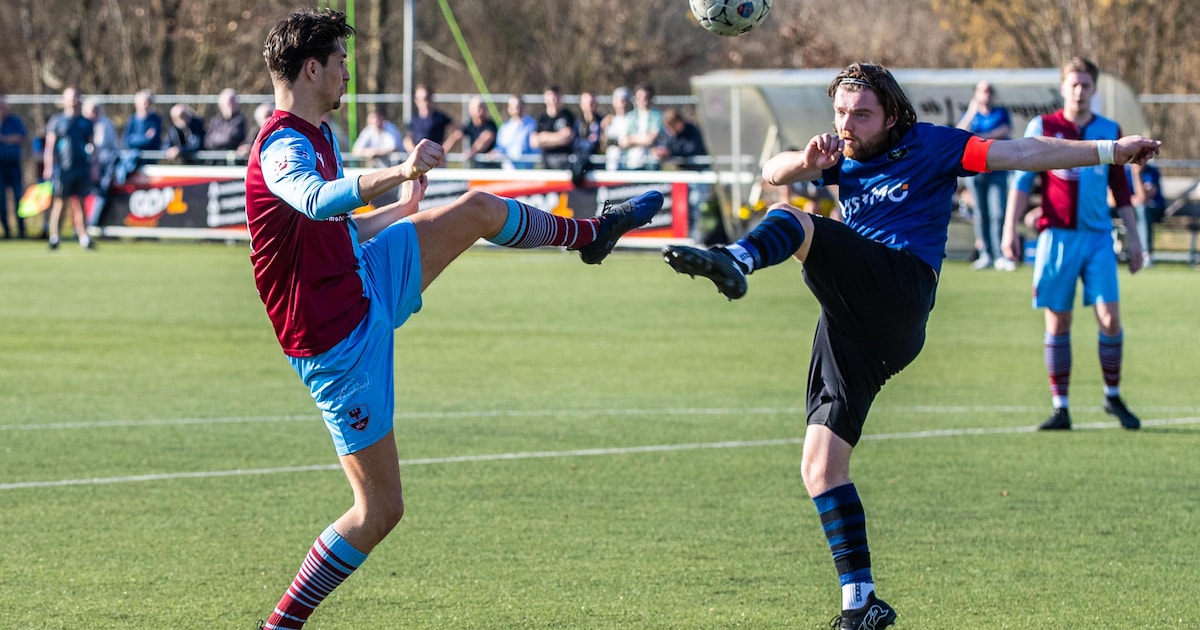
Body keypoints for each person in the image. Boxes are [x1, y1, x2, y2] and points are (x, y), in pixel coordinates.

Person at [660, 62, 1160, 629]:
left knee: (793, 222)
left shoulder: (934, 145)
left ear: (892, 114)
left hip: (902, 289)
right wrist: (806, 162)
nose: (847, 125)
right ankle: (861, 603)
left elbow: (1023, 152)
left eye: (861, 114)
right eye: (841, 113)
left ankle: (734, 259)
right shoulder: (841, 154)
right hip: (856, 324)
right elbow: (773, 171)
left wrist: (1111, 151)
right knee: (820, 468)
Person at [246, 9, 663, 629]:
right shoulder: (282, 145)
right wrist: (400, 171)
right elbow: (313, 199)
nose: (347, 74)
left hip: (365, 278)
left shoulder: (320, 135)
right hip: (336, 343)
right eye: (340, 63)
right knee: (379, 510)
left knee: (476, 210)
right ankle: (279, 626)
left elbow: (338, 230)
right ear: (312, 69)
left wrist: (402, 207)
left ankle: (592, 234)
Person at [1001, 57, 1146, 432]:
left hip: (1097, 237)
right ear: (1063, 88)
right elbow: (1021, 183)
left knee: (1110, 319)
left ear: (1094, 89)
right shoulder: (1043, 127)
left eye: (1086, 85)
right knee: (1058, 320)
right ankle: (1060, 407)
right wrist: (1009, 228)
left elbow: (1121, 190)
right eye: (1074, 84)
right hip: (1057, 238)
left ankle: (1112, 395)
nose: (1080, 91)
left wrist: (1136, 240)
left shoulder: (1109, 130)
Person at [956, 81, 1014, 271]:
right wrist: (971, 112)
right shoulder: (971, 115)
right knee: (980, 214)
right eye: (983, 91)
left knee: (998, 213)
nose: (986, 94)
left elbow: (1004, 131)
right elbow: (959, 133)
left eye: (989, 91)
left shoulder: (1000, 113)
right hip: (974, 171)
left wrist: (979, 138)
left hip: (998, 170)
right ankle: (986, 254)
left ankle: (1000, 255)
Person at [43, 86, 97, 250]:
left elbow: (93, 146)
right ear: (64, 100)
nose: (74, 100)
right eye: (71, 97)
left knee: (80, 203)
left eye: (76, 97)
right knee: (60, 204)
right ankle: (55, 237)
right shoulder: (57, 121)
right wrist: (48, 166)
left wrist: (95, 166)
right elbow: (50, 146)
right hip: (63, 169)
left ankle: (84, 237)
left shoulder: (86, 122)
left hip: (81, 168)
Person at [81, 98, 119, 226]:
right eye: (91, 110)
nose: (93, 113)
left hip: (104, 165)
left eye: (95, 110)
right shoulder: (82, 125)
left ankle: (92, 223)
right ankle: (81, 224)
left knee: (101, 193)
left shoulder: (106, 124)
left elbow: (114, 146)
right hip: (85, 165)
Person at [530, 84, 577, 170]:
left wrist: (544, 137)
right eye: (550, 96)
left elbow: (567, 138)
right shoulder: (541, 117)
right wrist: (558, 137)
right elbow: (534, 142)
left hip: (564, 160)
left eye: (555, 96)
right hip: (545, 160)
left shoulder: (567, 115)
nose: (553, 100)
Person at [0, 94, 27, 239]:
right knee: (1, 201)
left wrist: (4, 139)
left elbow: (21, 137)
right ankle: (6, 231)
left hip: (14, 166)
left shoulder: (15, 121)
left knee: (19, 198)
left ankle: (22, 230)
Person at [620, 83, 664, 170]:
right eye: (639, 97)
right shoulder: (630, 116)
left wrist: (631, 139)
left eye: (646, 97)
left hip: (650, 163)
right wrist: (644, 139)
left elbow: (651, 139)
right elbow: (623, 141)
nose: (643, 100)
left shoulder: (657, 116)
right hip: (631, 162)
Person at [1129, 160, 1165, 266]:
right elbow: (1112, 199)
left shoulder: (1151, 172)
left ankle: (1145, 254)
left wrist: (1136, 174)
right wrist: (1131, 200)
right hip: (1130, 210)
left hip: (1154, 211)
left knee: (1142, 210)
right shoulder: (1124, 172)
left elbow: (1142, 197)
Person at [402, 84, 455, 153]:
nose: (423, 102)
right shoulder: (414, 120)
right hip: (420, 157)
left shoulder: (439, 118)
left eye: (426, 98)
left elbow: (458, 131)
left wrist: (443, 149)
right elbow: (407, 140)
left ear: (430, 99)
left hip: (435, 157)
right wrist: (416, 152)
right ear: (416, 101)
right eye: (419, 99)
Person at [447, 95, 496, 168]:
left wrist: (472, 151)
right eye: (478, 107)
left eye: (482, 107)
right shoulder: (470, 125)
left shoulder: (491, 125)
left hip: (492, 167)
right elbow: (456, 136)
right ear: (471, 109)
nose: (481, 110)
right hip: (476, 167)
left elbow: (486, 138)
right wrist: (442, 152)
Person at [491, 94, 538, 169]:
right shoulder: (504, 128)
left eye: (519, 106)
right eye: (513, 106)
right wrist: (495, 153)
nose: (517, 109)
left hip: (527, 171)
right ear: (509, 109)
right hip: (508, 171)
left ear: (524, 106)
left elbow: (536, 150)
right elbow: (500, 147)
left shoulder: (533, 125)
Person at [204, 88, 248, 162]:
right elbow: (207, 141)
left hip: (231, 162)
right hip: (213, 162)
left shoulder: (240, 120)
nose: (230, 106)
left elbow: (229, 139)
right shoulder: (215, 120)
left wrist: (216, 139)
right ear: (221, 105)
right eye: (228, 103)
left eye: (232, 103)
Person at [123, 90, 163, 155]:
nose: (147, 106)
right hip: (134, 156)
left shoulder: (155, 120)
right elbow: (126, 141)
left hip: (150, 156)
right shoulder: (131, 119)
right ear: (137, 104)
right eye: (145, 103)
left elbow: (151, 140)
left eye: (149, 103)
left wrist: (134, 139)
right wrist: (144, 137)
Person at [603, 86, 634, 171]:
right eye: (621, 100)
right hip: (612, 166)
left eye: (626, 100)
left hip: (630, 165)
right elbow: (604, 143)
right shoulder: (609, 121)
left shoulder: (634, 120)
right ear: (614, 102)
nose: (623, 104)